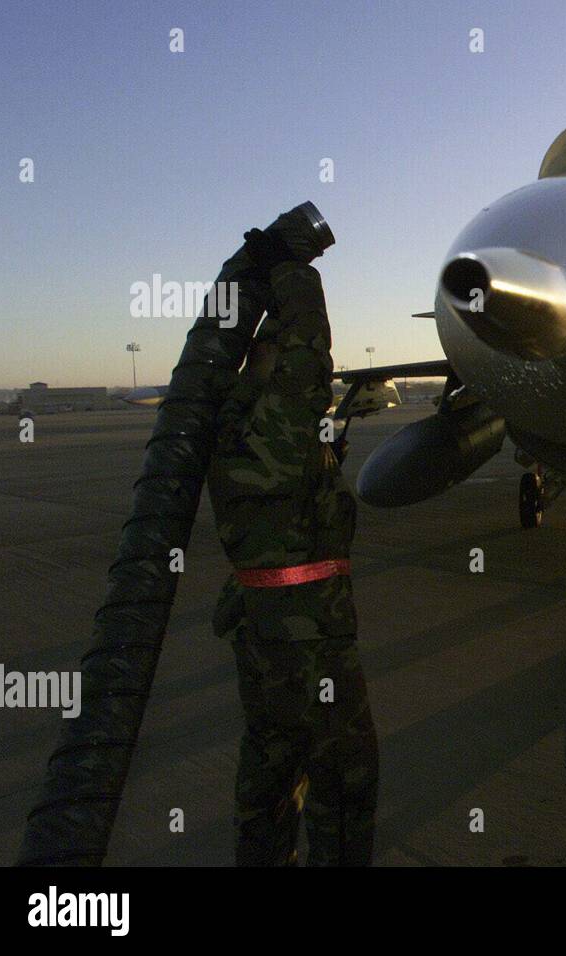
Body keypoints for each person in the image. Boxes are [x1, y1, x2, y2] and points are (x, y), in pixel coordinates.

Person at [207, 231, 378, 865]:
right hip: (313, 639)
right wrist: (292, 265)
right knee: (344, 779)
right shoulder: (284, 408)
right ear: (276, 359)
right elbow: (312, 347)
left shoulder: (234, 422)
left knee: (269, 771)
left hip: (262, 637)